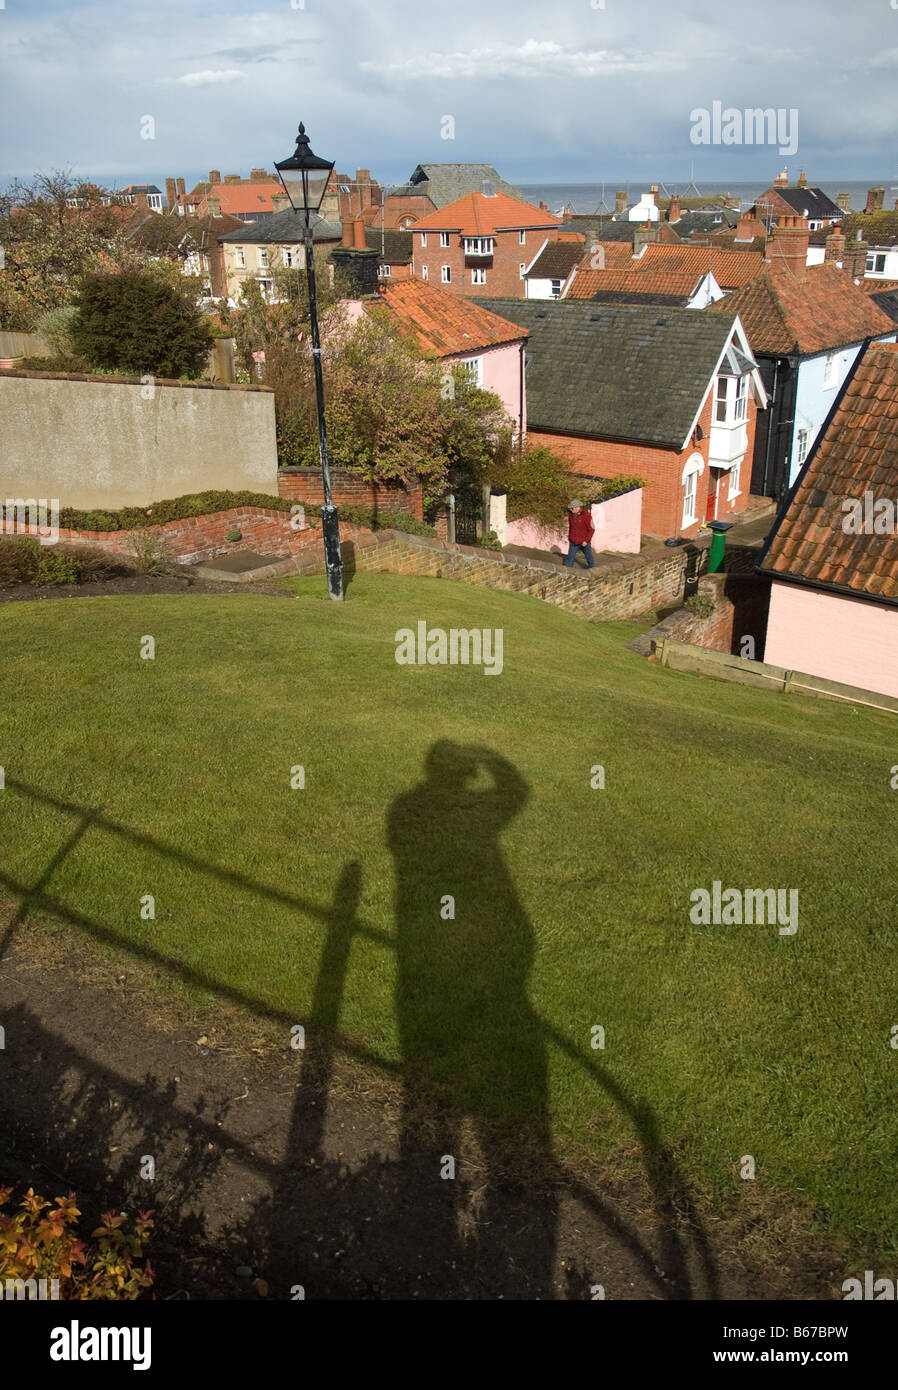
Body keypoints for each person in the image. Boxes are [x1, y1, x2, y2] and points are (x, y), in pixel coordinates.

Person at [564, 500, 595, 569]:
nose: (570, 510)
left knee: (589, 557)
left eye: (571, 508)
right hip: (573, 541)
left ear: (577, 508)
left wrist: (586, 541)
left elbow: (592, 529)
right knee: (570, 558)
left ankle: (592, 569)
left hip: (584, 541)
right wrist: (570, 536)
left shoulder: (587, 515)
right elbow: (571, 527)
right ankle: (567, 572)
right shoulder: (570, 516)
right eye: (570, 508)